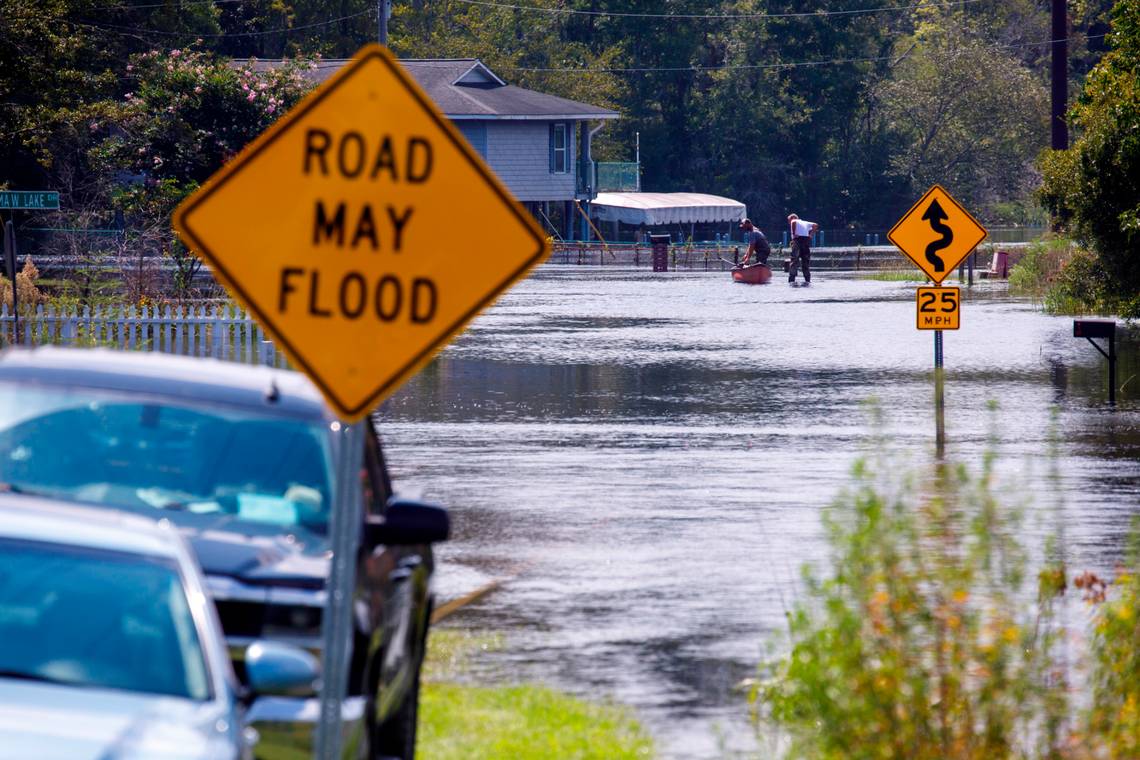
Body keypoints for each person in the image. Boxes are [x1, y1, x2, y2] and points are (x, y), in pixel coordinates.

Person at [786, 213, 818, 284]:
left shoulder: (794, 221)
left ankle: (791, 280)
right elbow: (815, 225)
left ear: (792, 218)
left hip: (797, 241)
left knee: (794, 261)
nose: (789, 223)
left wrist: (794, 234)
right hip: (806, 241)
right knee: (805, 262)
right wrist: (811, 235)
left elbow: (793, 222)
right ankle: (807, 280)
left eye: (789, 221)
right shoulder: (805, 222)